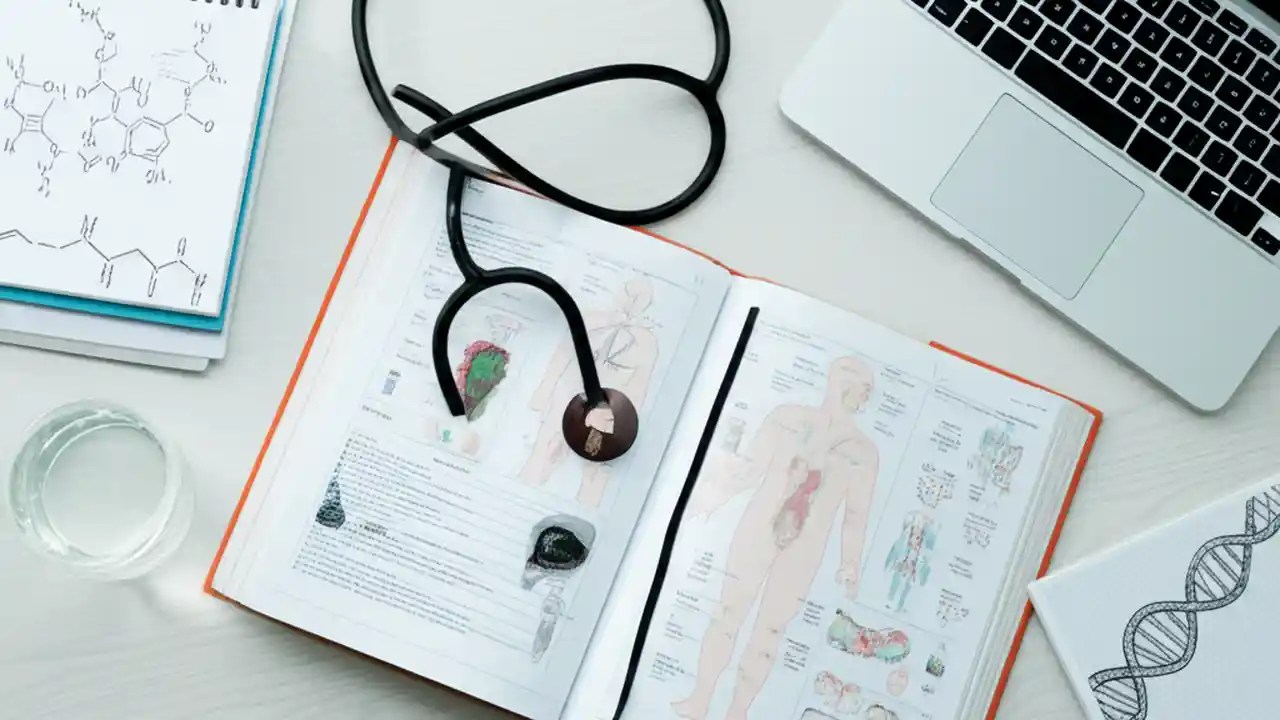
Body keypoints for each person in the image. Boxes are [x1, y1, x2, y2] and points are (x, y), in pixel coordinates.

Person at [673, 356, 880, 720]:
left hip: (804, 547)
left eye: (866, 389)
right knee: (727, 613)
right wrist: (706, 500)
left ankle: (736, 712)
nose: (863, 395)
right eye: (858, 385)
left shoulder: (861, 452)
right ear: (837, 382)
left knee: (770, 630)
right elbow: (748, 469)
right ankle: (700, 699)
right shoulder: (788, 418)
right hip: (757, 528)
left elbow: (856, 516)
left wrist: (850, 563)